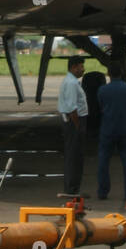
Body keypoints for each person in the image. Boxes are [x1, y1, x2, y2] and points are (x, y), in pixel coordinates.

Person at [96, 62, 126, 201]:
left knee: (103, 161)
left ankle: (103, 192)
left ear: (108, 74)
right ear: (122, 74)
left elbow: (100, 107)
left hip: (108, 128)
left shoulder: (102, 90)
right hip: (125, 128)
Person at [57, 54, 88, 195]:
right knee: (73, 157)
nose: (83, 69)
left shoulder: (72, 81)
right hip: (74, 122)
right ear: (74, 67)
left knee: (75, 156)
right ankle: (71, 188)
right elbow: (72, 108)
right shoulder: (71, 83)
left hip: (74, 122)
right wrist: (78, 126)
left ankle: (73, 187)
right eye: (81, 66)